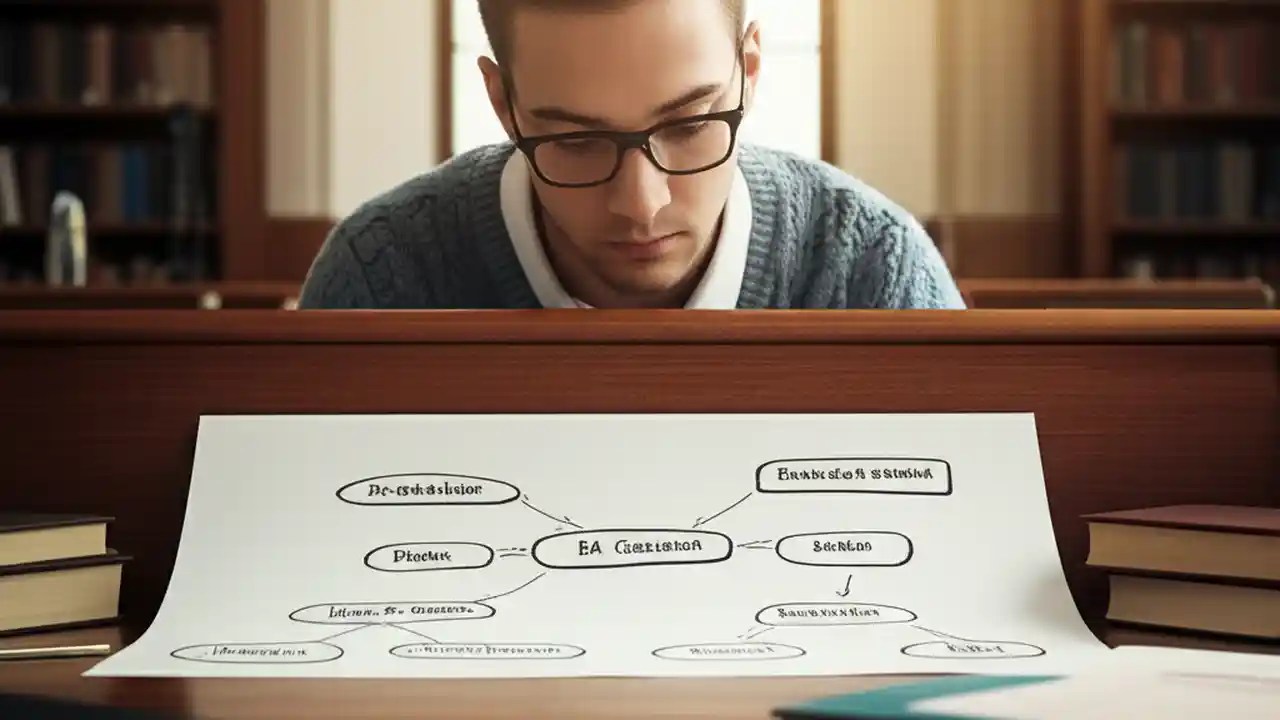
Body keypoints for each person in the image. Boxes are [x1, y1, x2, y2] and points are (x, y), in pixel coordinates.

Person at [297, 0, 965, 310]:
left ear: (750, 71)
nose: (642, 205)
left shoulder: (873, 271)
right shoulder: (381, 278)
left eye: (691, 124)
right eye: (576, 142)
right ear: (503, 103)